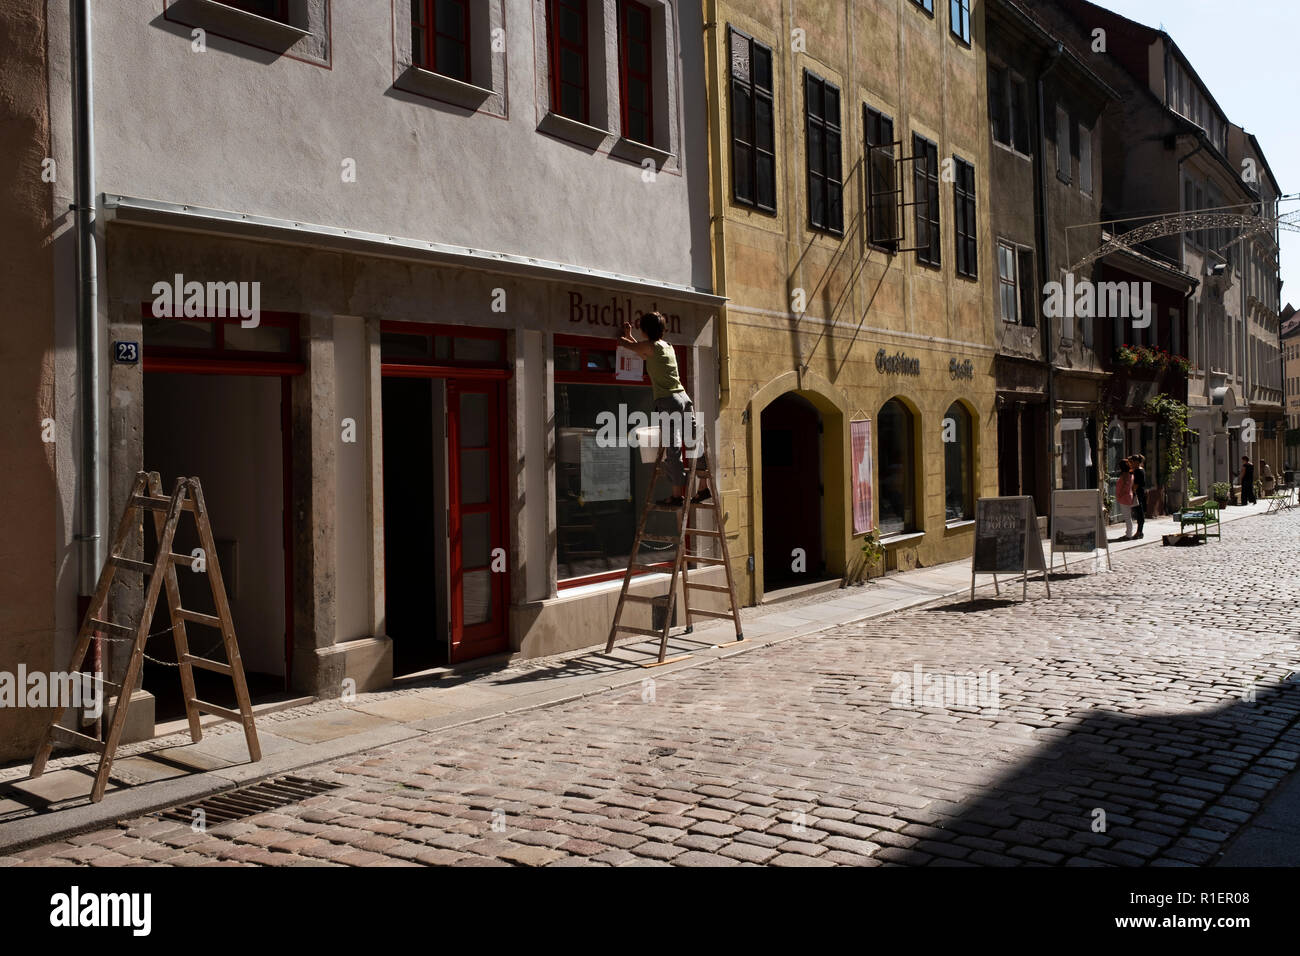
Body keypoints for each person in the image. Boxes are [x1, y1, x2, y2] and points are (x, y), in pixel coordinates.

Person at [619, 312, 712, 507]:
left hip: (667, 401)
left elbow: (628, 346)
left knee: (673, 448)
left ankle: (677, 495)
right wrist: (632, 338)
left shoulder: (649, 346)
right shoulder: (667, 347)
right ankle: (703, 487)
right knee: (694, 442)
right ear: (662, 330)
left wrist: (625, 335)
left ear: (645, 330)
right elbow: (643, 351)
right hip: (683, 398)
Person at [1115, 459, 1135, 539]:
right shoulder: (1130, 474)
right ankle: (1128, 533)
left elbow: (1124, 487)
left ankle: (1129, 534)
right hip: (1127, 496)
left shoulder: (1125, 475)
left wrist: (1119, 495)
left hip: (1124, 497)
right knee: (1128, 516)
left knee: (1127, 517)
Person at [1128, 455, 1146, 539]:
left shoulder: (1139, 471)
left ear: (1137, 462)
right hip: (1139, 492)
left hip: (1138, 493)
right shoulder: (1138, 470)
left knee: (1140, 512)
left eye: (1132, 462)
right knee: (1139, 512)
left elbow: (1136, 484)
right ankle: (1140, 531)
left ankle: (1139, 531)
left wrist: (1132, 491)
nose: (1131, 464)